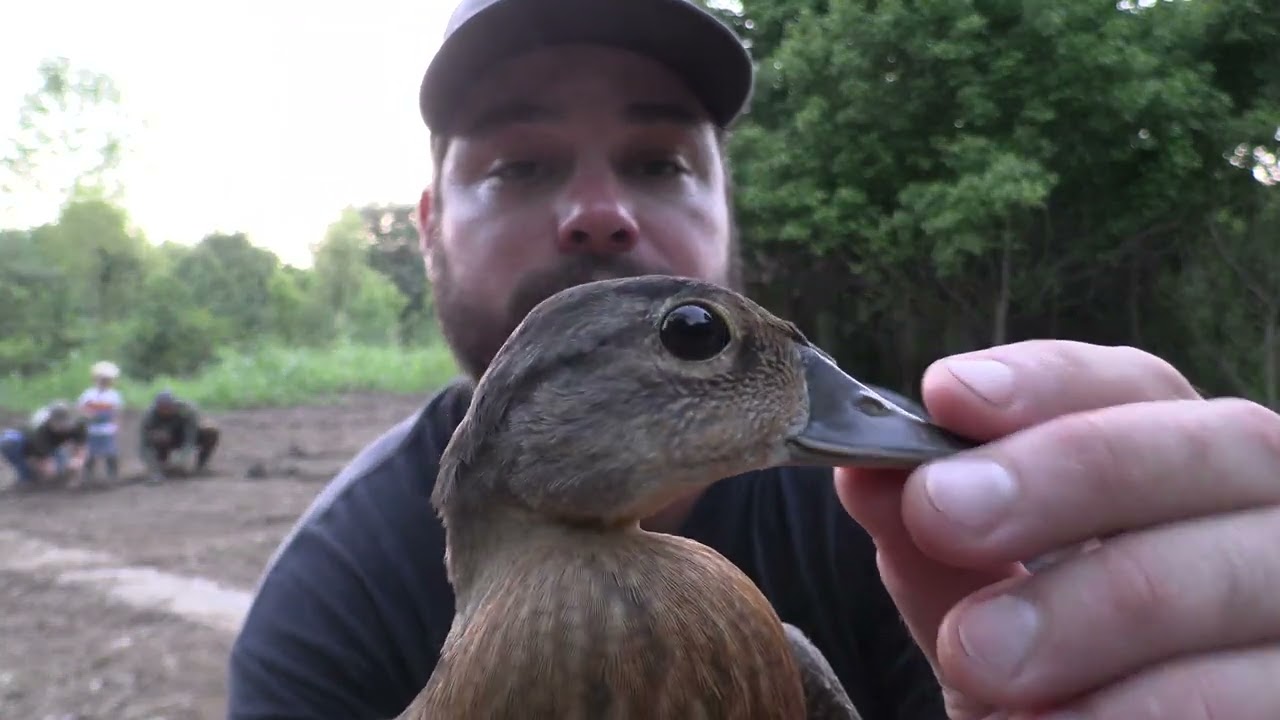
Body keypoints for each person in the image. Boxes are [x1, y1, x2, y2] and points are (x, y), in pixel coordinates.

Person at [228, 1, 1280, 718]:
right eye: (518, 165)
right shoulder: (329, 617)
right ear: (426, 225)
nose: (597, 215)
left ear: (731, 205)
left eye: (658, 161)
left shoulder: (920, 548)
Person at [0, 400, 88, 490]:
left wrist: (77, 462)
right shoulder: (42, 431)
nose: (62, 426)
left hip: (47, 444)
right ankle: (26, 478)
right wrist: (46, 471)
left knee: (63, 466)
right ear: (50, 421)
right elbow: (39, 458)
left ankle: (36, 478)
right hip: (19, 440)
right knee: (49, 470)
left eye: (64, 422)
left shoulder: (78, 426)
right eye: (58, 423)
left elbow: (81, 449)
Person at [138, 390, 219, 484]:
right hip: (166, 439)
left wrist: (181, 460)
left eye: (168, 407)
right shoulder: (149, 416)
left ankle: (201, 465)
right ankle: (162, 465)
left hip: (184, 436)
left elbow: (190, 438)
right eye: (162, 408)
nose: (165, 410)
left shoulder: (186, 410)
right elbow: (144, 447)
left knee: (210, 430)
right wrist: (154, 470)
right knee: (158, 436)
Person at [76, 360, 125, 485]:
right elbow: (81, 409)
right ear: (95, 379)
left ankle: (113, 476)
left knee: (111, 453)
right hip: (91, 429)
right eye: (102, 379)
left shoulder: (114, 395)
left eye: (107, 379)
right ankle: (87, 477)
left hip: (107, 428)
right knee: (90, 454)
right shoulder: (88, 394)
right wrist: (88, 415)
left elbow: (117, 412)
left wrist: (116, 425)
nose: (104, 382)